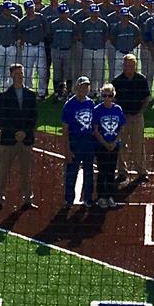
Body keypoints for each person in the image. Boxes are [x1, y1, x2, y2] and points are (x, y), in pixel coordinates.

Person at [0, 62, 40, 210]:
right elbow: (3, 118)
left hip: (26, 139)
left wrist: (24, 132)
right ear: (11, 76)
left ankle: (28, 199)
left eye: (21, 74)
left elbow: (34, 117)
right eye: (16, 74)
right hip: (9, 139)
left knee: (26, 171)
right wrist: (16, 132)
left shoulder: (31, 95)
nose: (20, 77)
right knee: (3, 171)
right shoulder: (5, 96)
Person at [113, 53, 152, 181]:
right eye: (127, 65)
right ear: (123, 66)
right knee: (121, 144)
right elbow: (114, 100)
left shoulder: (141, 79)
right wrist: (120, 115)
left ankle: (141, 171)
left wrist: (140, 112)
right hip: (122, 118)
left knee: (138, 144)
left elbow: (147, 98)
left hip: (137, 117)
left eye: (132, 65)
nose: (129, 67)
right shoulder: (117, 81)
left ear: (135, 66)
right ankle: (122, 171)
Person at [62, 77, 99, 210]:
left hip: (88, 142)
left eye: (87, 86)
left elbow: (94, 126)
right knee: (71, 172)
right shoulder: (69, 105)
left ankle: (88, 198)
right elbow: (65, 129)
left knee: (89, 172)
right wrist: (67, 149)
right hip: (75, 142)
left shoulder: (91, 103)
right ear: (77, 87)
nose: (85, 89)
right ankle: (68, 199)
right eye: (83, 86)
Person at [92, 82, 128, 208]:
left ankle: (110, 196)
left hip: (114, 146)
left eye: (110, 95)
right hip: (101, 146)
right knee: (102, 172)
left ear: (113, 96)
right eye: (105, 95)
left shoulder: (118, 109)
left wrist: (114, 142)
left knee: (112, 172)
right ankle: (101, 197)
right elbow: (95, 130)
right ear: (102, 96)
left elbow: (121, 128)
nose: (107, 98)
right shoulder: (97, 110)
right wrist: (105, 143)